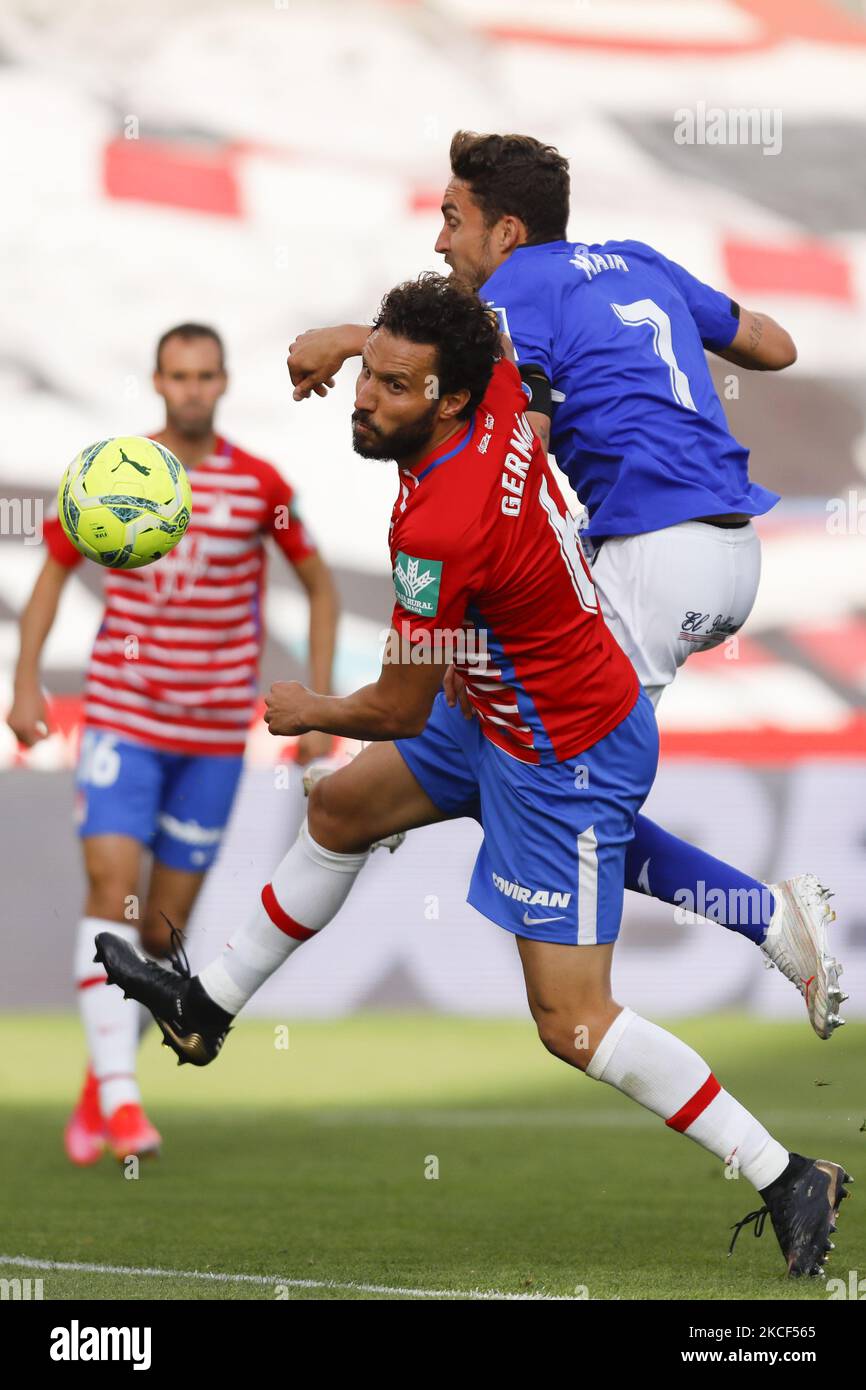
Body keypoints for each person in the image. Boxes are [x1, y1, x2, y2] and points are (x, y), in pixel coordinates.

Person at [96, 275, 849, 1276]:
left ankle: (783, 1170)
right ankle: (206, 1006)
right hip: (492, 703)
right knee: (343, 806)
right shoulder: (489, 389)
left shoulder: (438, 528)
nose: (365, 398)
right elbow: (472, 334)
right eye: (368, 376)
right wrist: (347, 336)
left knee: (571, 1022)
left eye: (391, 386)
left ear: (445, 399)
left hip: (559, 749)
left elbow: (394, 707)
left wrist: (309, 707)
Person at [284, 132, 844, 1041]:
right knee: (541, 753)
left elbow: (524, 436)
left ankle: (766, 918)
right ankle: (392, 789)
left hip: (654, 554)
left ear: (506, 231)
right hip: (730, 553)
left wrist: (361, 349)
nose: (440, 243)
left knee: (558, 766)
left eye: (453, 219)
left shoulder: (512, 291)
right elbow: (772, 346)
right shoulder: (634, 261)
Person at [7, 322, 339, 1165]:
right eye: (178, 376)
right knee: (111, 889)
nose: (191, 389)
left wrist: (322, 710)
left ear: (223, 383)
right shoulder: (110, 475)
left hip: (214, 734)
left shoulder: (258, 484)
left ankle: (98, 1089)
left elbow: (322, 585)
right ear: (158, 382)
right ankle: (122, 1105)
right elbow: (50, 571)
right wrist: (25, 682)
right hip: (123, 716)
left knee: (159, 934)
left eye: (205, 376)